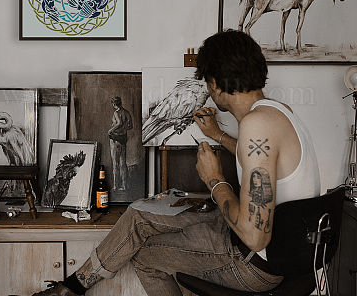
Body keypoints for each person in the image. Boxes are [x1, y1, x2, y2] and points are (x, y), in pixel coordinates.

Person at [32, 30, 321, 296]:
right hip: (286, 253)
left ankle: (70, 289)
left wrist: (214, 179)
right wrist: (218, 136)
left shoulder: (256, 125)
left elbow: (255, 237)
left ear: (215, 82)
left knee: (145, 255)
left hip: (255, 264)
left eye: (207, 82)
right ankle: (74, 286)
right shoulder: (277, 113)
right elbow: (263, 160)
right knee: (139, 215)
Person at [108, 96, 133, 190]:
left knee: (115, 163)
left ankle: (115, 186)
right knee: (123, 163)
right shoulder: (127, 113)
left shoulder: (116, 113)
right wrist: (124, 128)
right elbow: (130, 126)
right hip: (123, 138)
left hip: (115, 138)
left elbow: (119, 122)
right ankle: (124, 185)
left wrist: (110, 130)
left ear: (114, 104)